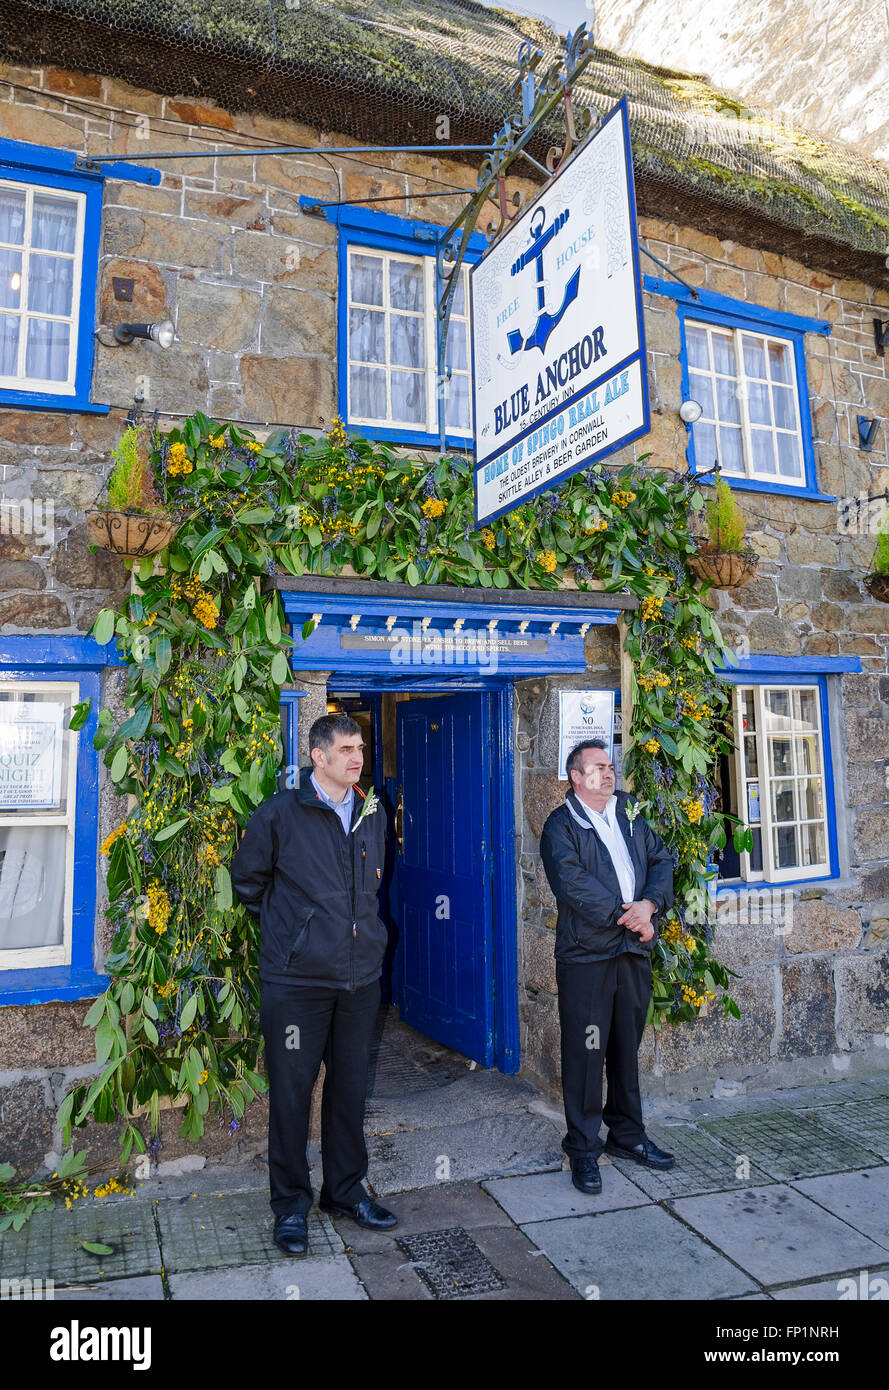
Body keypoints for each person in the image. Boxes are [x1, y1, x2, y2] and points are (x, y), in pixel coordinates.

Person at [230, 713, 397, 1255]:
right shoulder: (281, 813)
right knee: (292, 1095)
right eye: (346, 749)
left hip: (359, 980)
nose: (357, 758)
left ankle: (345, 1192)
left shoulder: (373, 811)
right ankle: (290, 1207)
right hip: (296, 983)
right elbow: (248, 882)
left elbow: (376, 883)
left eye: (361, 749)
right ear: (317, 757)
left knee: (350, 1090)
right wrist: (295, 935)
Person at [539, 738, 676, 1195]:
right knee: (584, 1055)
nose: (609, 772)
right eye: (597, 766)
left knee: (624, 1047)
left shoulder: (629, 810)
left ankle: (627, 1137)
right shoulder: (560, 826)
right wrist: (631, 916)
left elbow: (660, 859)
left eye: (610, 765)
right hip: (587, 957)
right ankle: (582, 1150)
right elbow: (572, 883)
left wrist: (652, 903)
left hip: (631, 952)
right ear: (576, 777)